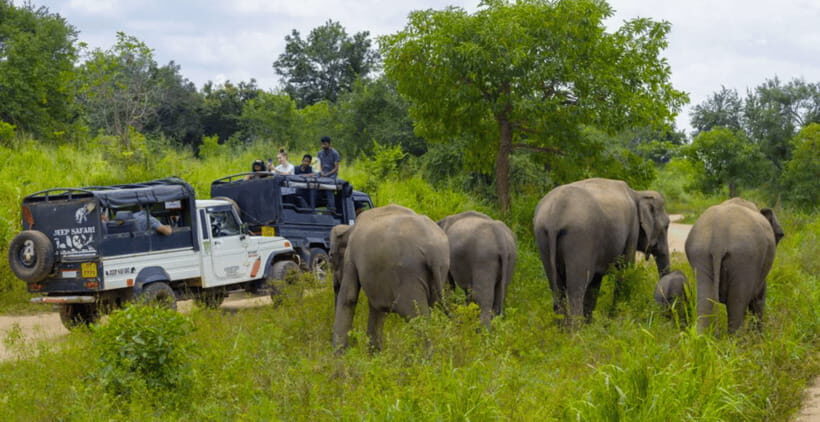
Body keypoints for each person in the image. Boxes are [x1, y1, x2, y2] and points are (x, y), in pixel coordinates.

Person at [318, 136, 341, 212]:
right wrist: (321, 172)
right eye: (322, 144)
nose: (323, 146)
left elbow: (336, 168)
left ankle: (331, 208)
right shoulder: (320, 153)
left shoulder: (335, 153)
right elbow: (319, 164)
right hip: (322, 173)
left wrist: (327, 174)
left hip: (331, 175)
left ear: (330, 144)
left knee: (328, 187)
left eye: (325, 144)